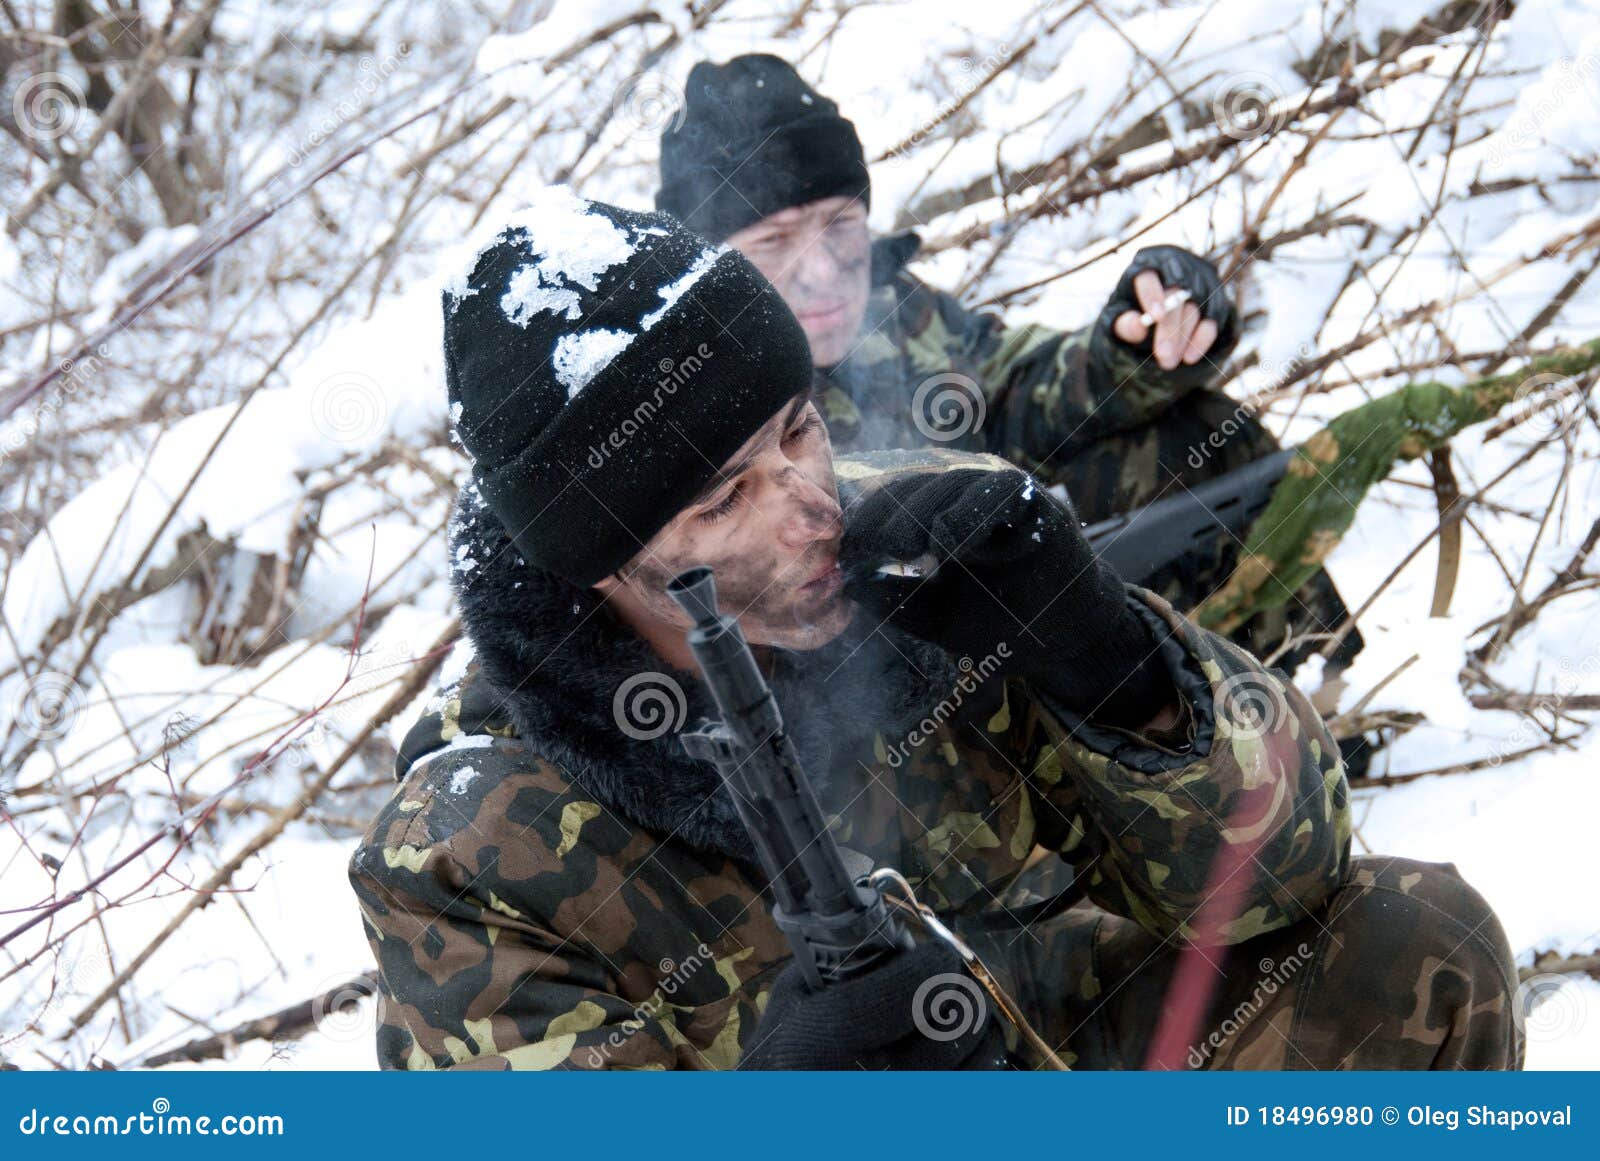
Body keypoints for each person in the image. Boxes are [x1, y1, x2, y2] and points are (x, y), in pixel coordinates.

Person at [348, 191, 1519, 1070]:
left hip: (1051, 1046)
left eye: (799, 430)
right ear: (600, 562)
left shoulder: (918, 528)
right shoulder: (464, 854)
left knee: (1417, 941)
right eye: (720, 498)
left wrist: (1118, 671)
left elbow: (1287, 879)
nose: (812, 506)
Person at [655, 53, 1363, 688]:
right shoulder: (682, 388)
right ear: (712, 263)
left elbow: (1019, 387)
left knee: (1195, 434)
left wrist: (1134, 344)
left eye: (839, 225)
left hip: (981, 598)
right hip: (841, 684)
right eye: (774, 241)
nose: (823, 271)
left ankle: (1288, 695)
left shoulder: (896, 310)